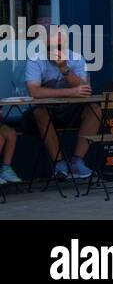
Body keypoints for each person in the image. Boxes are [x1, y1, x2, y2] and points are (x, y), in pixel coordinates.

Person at [24, 28, 102, 181]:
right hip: (48, 112)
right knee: (39, 112)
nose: (54, 51)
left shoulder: (76, 58)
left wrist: (64, 69)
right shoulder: (35, 60)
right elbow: (34, 91)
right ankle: (59, 163)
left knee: (94, 109)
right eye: (49, 48)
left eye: (58, 47)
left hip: (71, 111)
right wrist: (71, 92)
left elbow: (85, 89)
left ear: (64, 45)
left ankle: (77, 161)